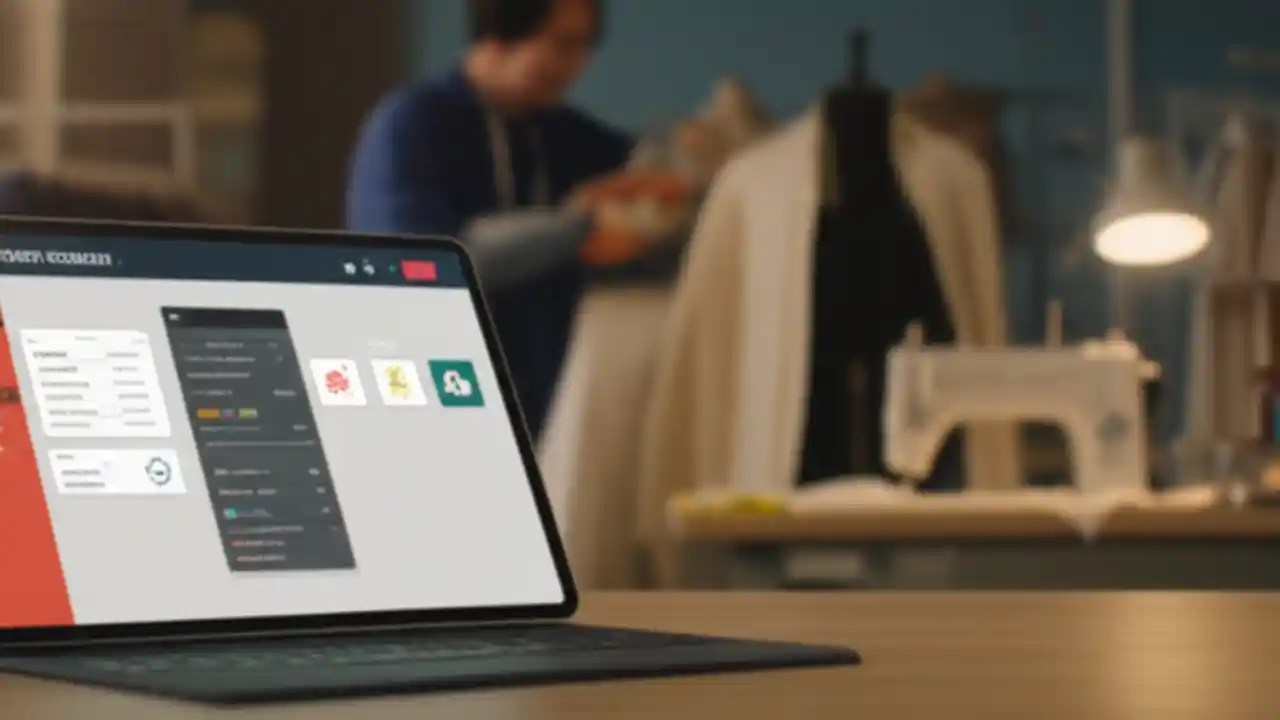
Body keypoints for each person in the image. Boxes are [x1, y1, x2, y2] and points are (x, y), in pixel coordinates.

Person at [347, 0, 633, 440]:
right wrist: (578, 227)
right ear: (500, 33)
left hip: (537, 409)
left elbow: (652, 168)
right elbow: (429, 263)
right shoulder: (411, 125)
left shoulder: (563, 136)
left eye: (585, 46)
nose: (578, 64)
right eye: (563, 43)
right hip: (427, 406)